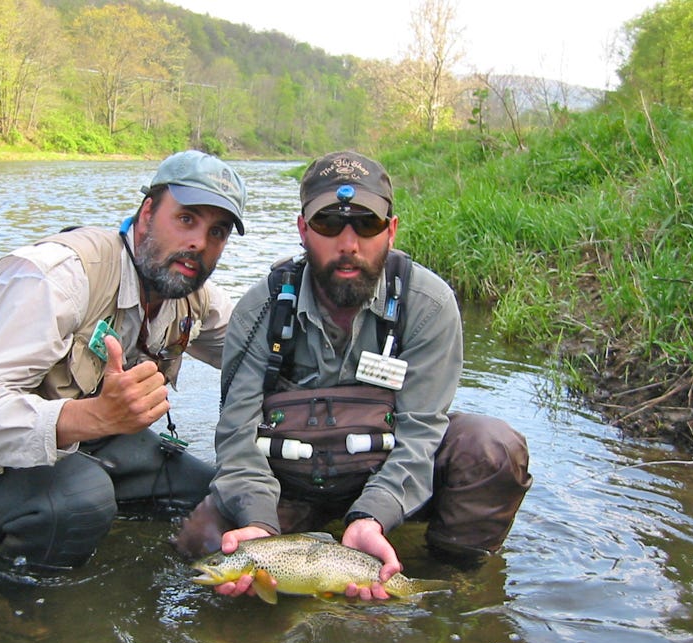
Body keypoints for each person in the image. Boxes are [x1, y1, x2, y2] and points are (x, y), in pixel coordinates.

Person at [173, 151, 532, 599]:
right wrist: (259, 523)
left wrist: (374, 515)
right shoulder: (259, 310)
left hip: (386, 475)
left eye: (366, 224)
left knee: (491, 447)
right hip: (292, 487)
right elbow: (236, 437)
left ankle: (450, 579)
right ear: (303, 230)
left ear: (391, 230)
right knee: (203, 543)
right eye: (329, 225)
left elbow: (421, 433)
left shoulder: (429, 305)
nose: (349, 243)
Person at [0, 150, 247, 570]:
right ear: (147, 213)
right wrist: (96, 416)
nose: (199, 243)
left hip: (78, 436)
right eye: (186, 219)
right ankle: (1, 604)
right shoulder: (55, 276)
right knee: (79, 502)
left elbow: (261, 351)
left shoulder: (188, 292)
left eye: (217, 232)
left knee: (211, 494)